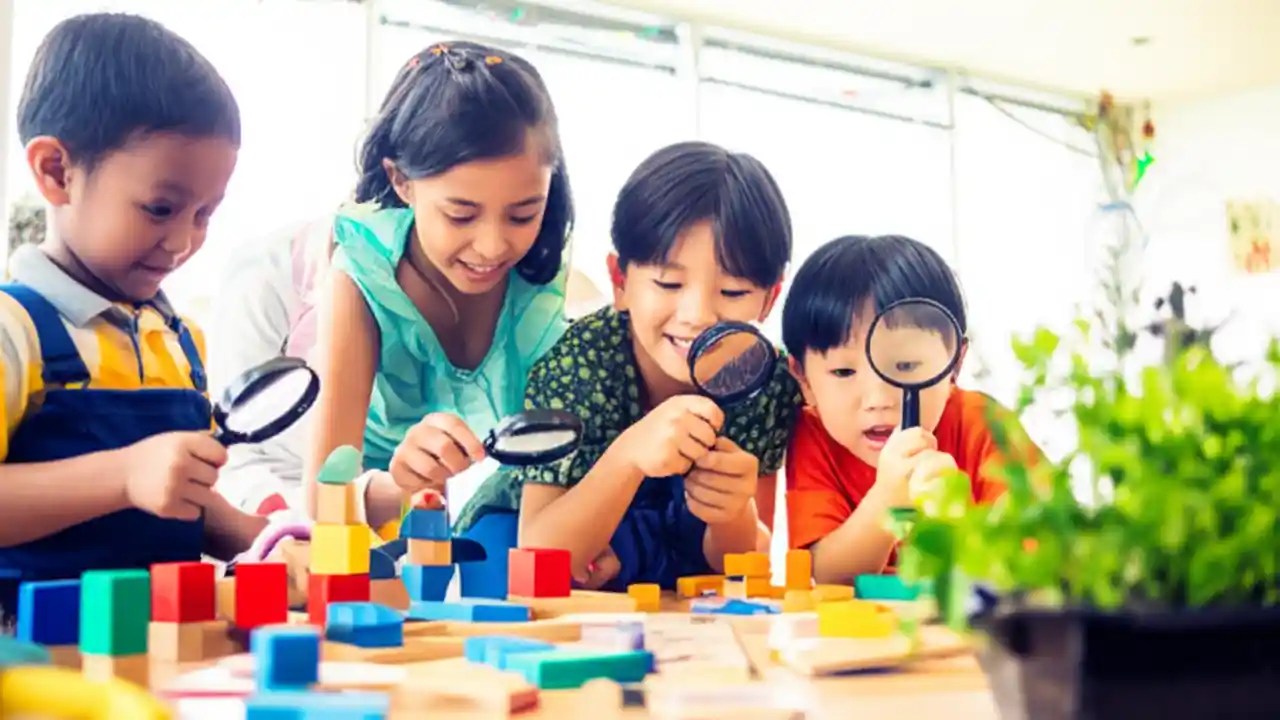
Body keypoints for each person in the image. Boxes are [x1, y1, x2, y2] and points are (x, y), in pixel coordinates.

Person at [0, 13, 266, 617]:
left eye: (204, 214)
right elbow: (135, 480)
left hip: (166, 651)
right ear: (56, 172)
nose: (182, 242)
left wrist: (262, 541)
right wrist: (123, 475)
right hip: (36, 664)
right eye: (160, 207)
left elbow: (179, 500)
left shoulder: (177, 340)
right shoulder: (15, 331)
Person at [459, 141, 803, 591]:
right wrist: (627, 455)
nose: (698, 314)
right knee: (504, 559)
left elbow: (742, 566)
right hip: (528, 533)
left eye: (734, 292)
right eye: (668, 282)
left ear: (769, 300)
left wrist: (735, 512)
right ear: (620, 281)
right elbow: (541, 553)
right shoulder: (579, 362)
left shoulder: (767, 382)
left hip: (670, 552)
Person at [304, 41, 575, 535]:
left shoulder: (543, 283)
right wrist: (402, 482)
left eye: (523, 213)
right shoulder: (363, 279)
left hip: (487, 526)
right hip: (364, 530)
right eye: (461, 214)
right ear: (402, 182)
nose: (493, 247)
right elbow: (321, 502)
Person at [781, 235, 1041, 584]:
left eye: (904, 367)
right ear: (804, 380)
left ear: (953, 364)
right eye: (844, 372)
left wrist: (959, 519)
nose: (878, 399)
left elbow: (1041, 558)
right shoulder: (814, 434)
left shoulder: (985, 424)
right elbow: (828, 575)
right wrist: (888, 499)